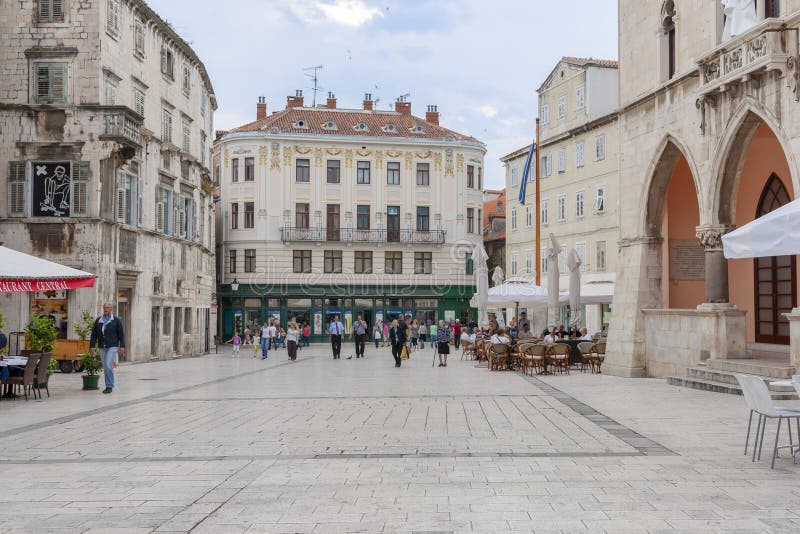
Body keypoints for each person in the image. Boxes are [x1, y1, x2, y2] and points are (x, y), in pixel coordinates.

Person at [89, 303, 126, 394]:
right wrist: (92, 346)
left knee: (109, 365)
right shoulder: (99, 320)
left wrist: (122, 346)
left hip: (112, 346)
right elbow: (94, 334)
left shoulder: (116, 320)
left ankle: (110, 386)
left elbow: (121, 334)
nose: (105, 309)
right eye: (104, 307)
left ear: (111, 309)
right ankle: (108, 386)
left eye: (107, 308)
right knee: (105, 367)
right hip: (102, 346)